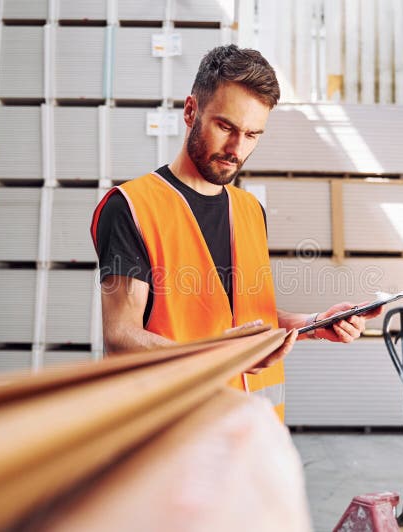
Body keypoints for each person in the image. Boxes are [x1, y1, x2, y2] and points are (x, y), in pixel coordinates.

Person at [90, 45, 382, 421]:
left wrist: (314, 324)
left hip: (250, 435)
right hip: (173, 433)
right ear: (191, 111)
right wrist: (218, 354)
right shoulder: (130, 206)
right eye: (225, 127)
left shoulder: (249, 211)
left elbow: (246, 316)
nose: (236, 149)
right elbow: (121, 336)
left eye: (252, 134)